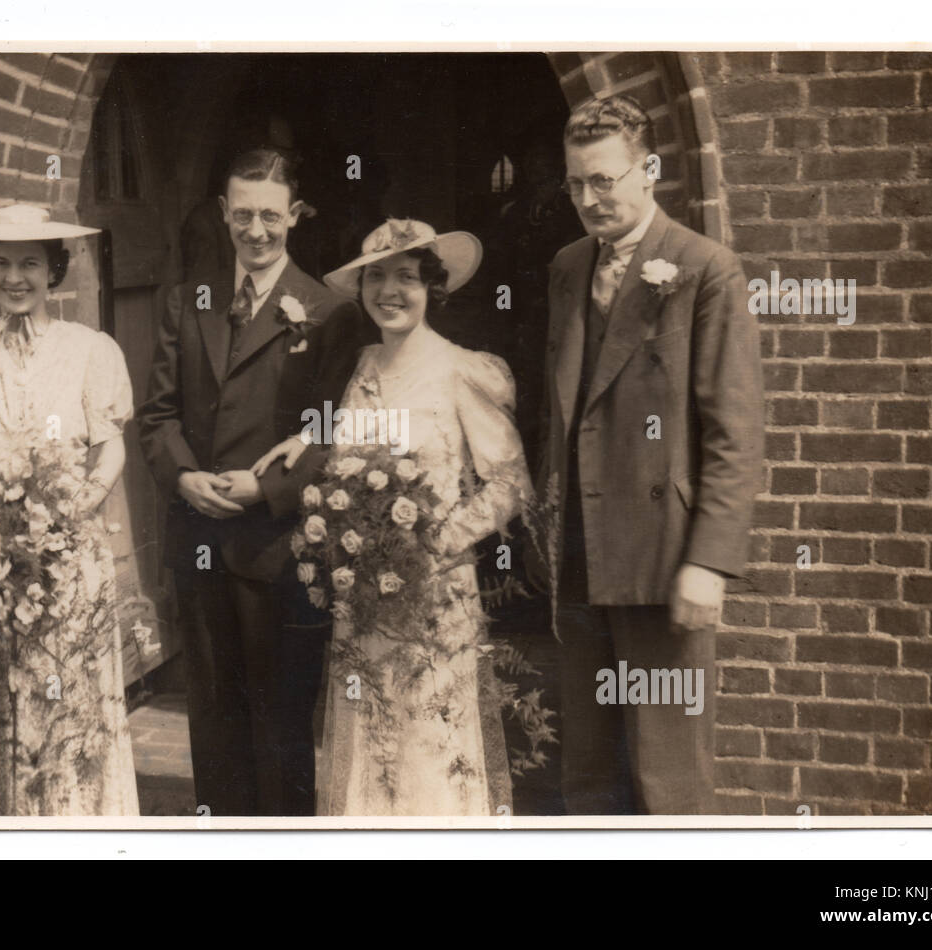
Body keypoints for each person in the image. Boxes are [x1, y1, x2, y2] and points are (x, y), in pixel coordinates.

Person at [532, 94, 764, 814]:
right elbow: (561, 412)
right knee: (591, 775)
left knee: (667, 776)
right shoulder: (568, 268)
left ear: (650, 172)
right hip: (578, 552)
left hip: (664, 559)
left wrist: (710, 561)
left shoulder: (704, 269)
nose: (589, 198)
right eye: (576, 183)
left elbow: (734, 430)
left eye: (604, 180)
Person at [257, 218, 533, 816]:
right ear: (359, 290)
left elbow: (510, 482)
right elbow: (342, 448)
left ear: (433, 287)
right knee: (371, 743)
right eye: (376, 278)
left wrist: (436, 541)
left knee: (429, 747)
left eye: (406, 277)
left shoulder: (462, 369)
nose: (390, 291)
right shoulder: (356, 368)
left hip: (434, 598)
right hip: (364, 601)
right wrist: (305, 444)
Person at [139, 148, 369, 816]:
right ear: (223, 214)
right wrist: (183, 477)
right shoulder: (190, 299)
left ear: (294, 215)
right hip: (200, 540)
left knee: (281, 722)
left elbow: (334, 433)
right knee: (212, 717)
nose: (257, 231)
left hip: (280, 549)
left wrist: (266, 490)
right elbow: (155, 416)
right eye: (243, 215)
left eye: (271, 215)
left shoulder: (329, 311)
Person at [0, 204, 140, 815]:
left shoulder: (90, 350)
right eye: (0, 264)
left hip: (69, 556)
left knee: (66, 696)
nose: (14, 277)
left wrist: (77, 507)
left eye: (29, 263)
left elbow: (109, 446)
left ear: (55, 270)